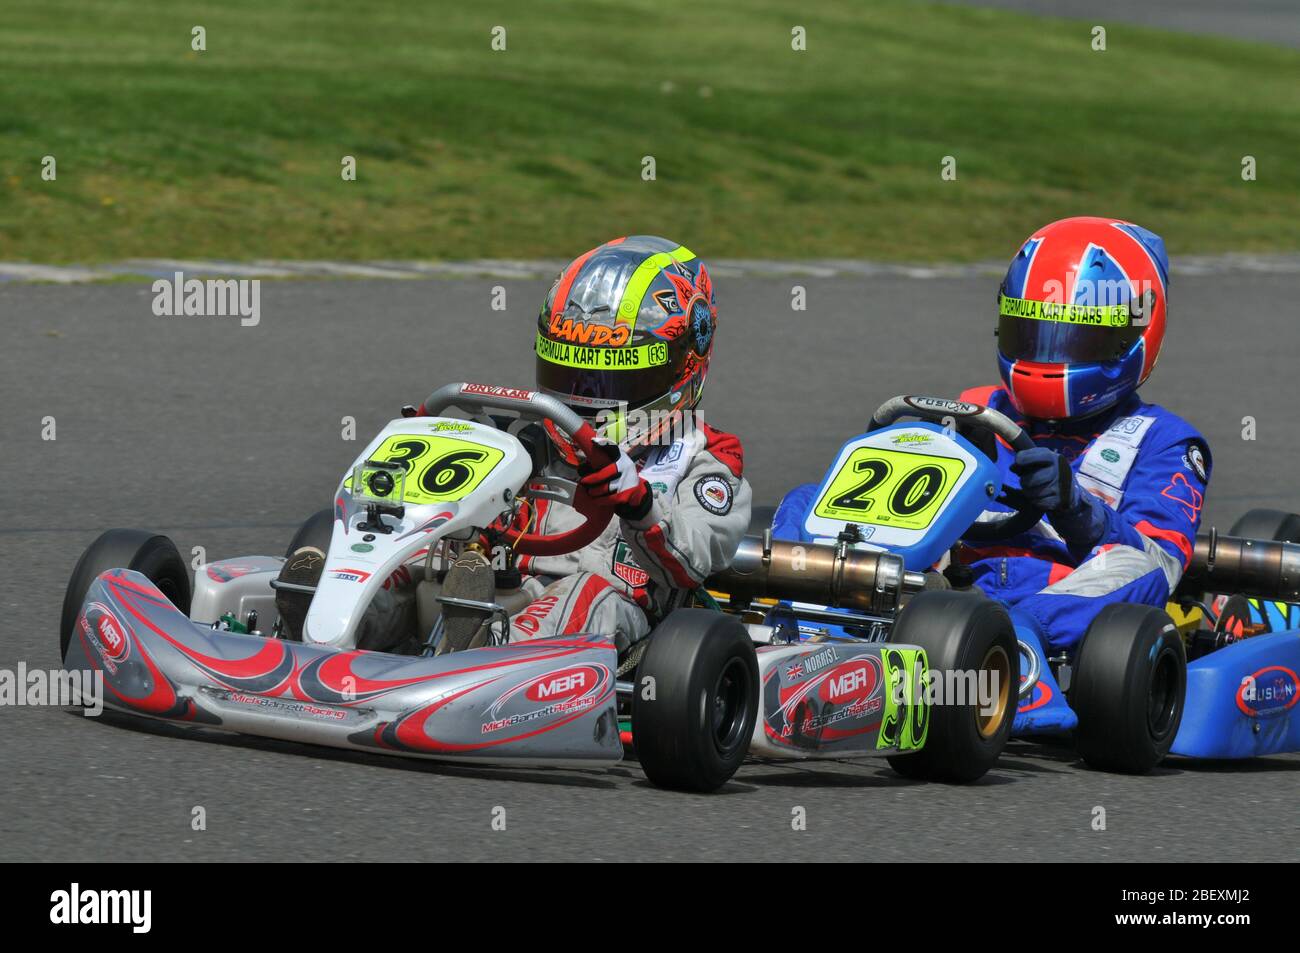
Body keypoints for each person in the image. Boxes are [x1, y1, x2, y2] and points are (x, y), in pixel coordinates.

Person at [774, 217, 1210, 730]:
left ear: (1130, 338)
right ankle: (797, 619)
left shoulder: (1166, 440)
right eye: (1032, 331)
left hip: (1050, 596)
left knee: (1136, 566)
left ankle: (1009, 653)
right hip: (950, 582)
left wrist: (1075, 508)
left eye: (1074, 339)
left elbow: (1159, 562)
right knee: (810, 500)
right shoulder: (979, 407)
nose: (1048, 354)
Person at [500, 235, 751, 653]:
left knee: (585, 595)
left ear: (684, 364)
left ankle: (480, 675)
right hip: (508, 590)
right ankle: (359, 654)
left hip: (624, 621)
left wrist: (640, 506)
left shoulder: (705, 459)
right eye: (571, 378)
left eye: (613, 380)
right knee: (416, 569)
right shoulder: (525, 443)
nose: (585, 400)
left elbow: (696, 559)